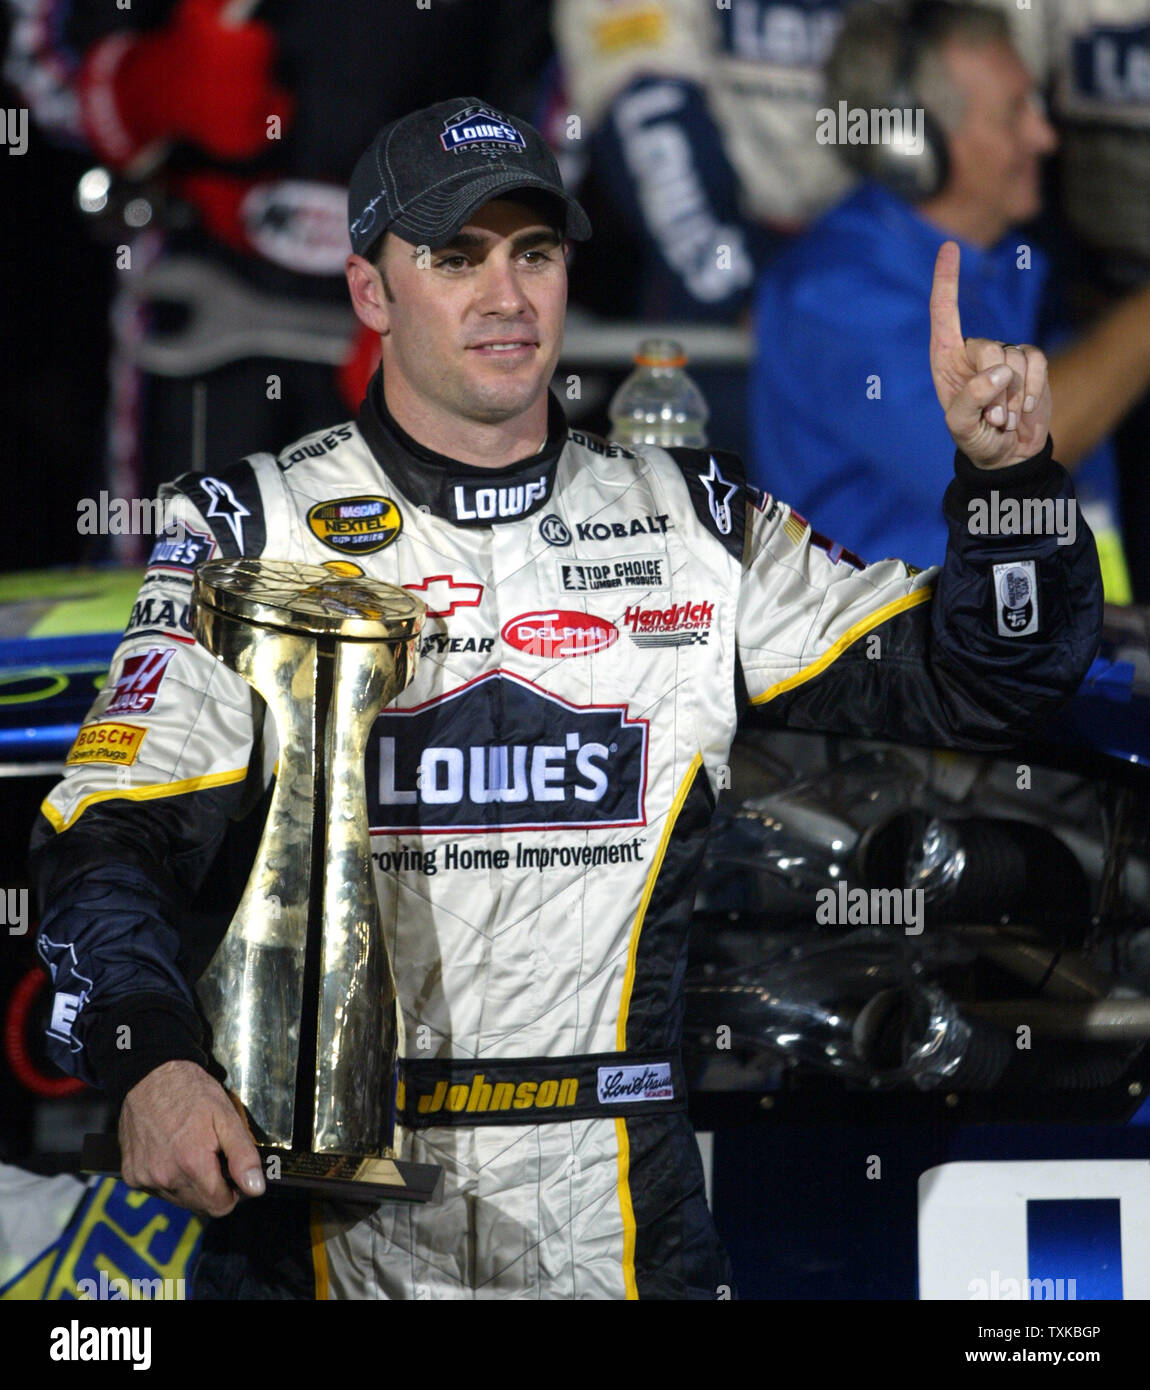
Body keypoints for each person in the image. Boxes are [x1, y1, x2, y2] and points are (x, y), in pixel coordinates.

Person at [30, 95, 1102, 1300]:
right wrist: (150, 1063)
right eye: (456, 257)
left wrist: (1008, 484)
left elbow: (979, 683)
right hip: (316, 1221)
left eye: (533, 253)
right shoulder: (245, 533)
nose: (506, 296)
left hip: (623, 1219)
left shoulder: (695, 525)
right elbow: (106, 842)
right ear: (372, 293)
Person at [749, 0, 1148, 598]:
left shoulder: (1017, 267)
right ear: (914, 150)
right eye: (1016, 114)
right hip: (901, 672)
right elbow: (1014, 449)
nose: (1044, 136)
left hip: (1052, 659)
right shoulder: (831, 297)